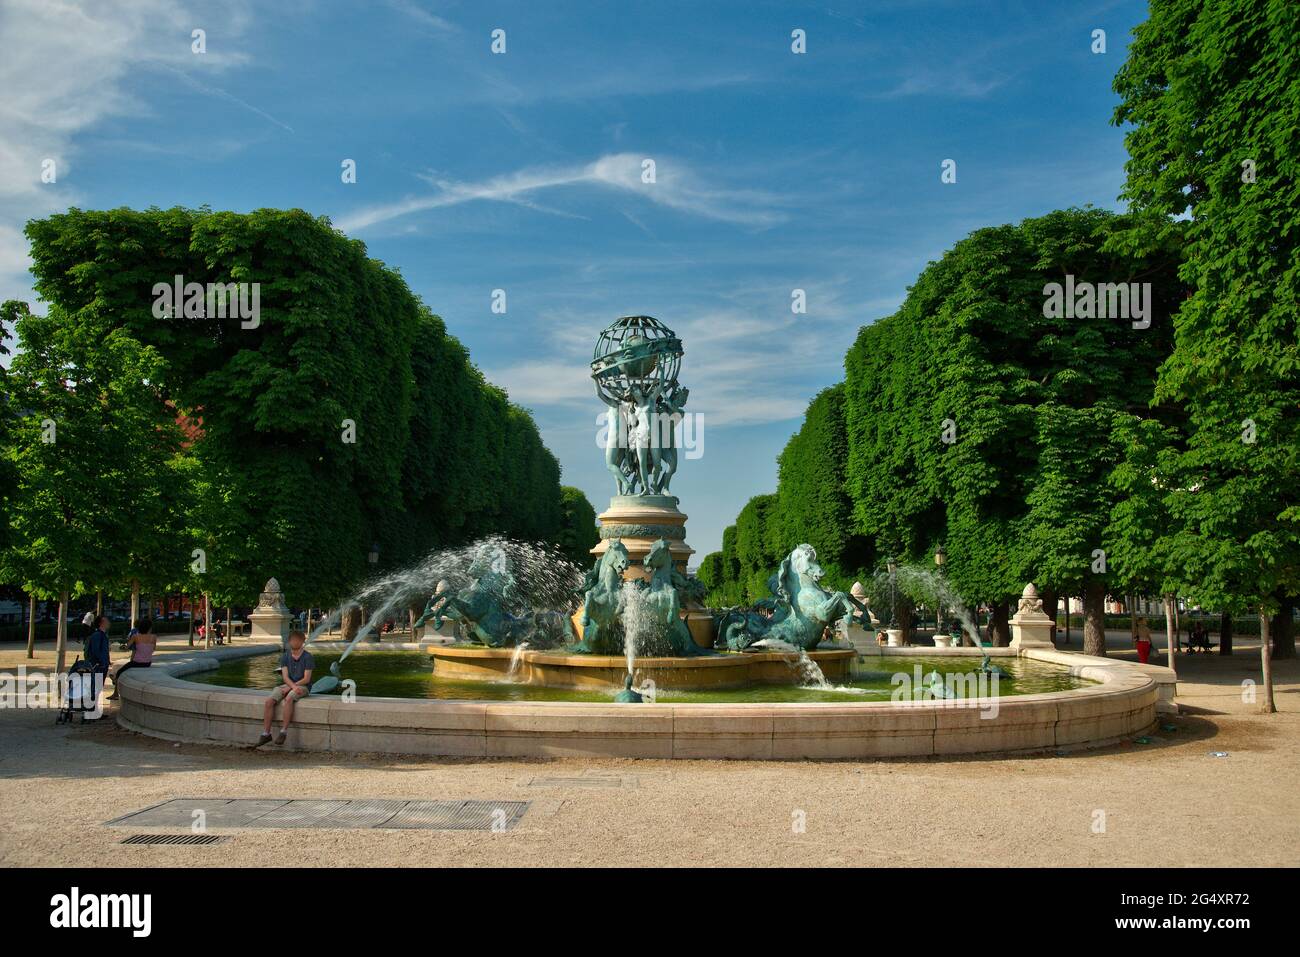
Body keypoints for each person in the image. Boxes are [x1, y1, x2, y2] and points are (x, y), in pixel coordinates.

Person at [257, 630, 314, 746]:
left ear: (303, 642)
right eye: (292, 640)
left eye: (297, 640)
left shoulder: (308, 657)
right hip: (288, 684)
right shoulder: (285, 656)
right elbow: (285, 676)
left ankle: (283, 731)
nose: (294, 642)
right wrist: (290, 686)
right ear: (289, 642)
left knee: (289, 698)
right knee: (269, 701)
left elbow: (307, 679)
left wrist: (291, 688)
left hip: (303, 686)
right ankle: (266, 733)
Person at [108, 616, 156, 700]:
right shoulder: (153, 637)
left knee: (119, 672)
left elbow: (127, 647)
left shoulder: (135, 636)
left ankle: (115, 691)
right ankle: (115, 680)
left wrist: (122, 647)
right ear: (149, 628)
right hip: (147, 663)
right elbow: (153, 649)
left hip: (137, 662)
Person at [83, 615, 112, 718]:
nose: (108, 622)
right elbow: (96, 651)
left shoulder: (101, 635)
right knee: (95, 689)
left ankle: (94, 711)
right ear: (101, 623)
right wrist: (102, 661)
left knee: (97, 689)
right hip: (98, 666)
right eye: (106, 620)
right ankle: (92, 711)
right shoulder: (98, 635)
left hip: (101, 665)